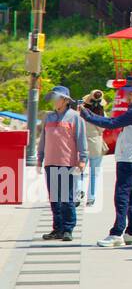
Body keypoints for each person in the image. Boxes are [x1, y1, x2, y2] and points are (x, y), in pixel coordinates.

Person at [82, 78, 132, 248]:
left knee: (121, 195)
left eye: (128, 91)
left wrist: (87, 115)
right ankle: (131, 232)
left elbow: (112, 123)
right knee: (131, 195)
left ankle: (117, 233)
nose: (125, 95)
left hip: (129, 157)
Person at [39, 86, 86, 241]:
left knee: (66, 197)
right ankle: (57, 228)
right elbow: (43, 139)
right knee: (54, 198)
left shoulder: (75, 118)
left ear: (65, 100)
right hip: (50, 162)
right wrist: (40, 159)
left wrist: (82, 159)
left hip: (68, 162)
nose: (54, 101)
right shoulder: (48, 117)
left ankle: (68, 229)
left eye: (56, 98)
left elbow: (81, 139)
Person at [80, 89, 106, 207]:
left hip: (82, 143)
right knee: (94, 172)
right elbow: (103, 128)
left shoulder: (81, 113)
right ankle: (91, 197)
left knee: (79, 170)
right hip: (96, 144)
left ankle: (78, 191)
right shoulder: (101, 114)